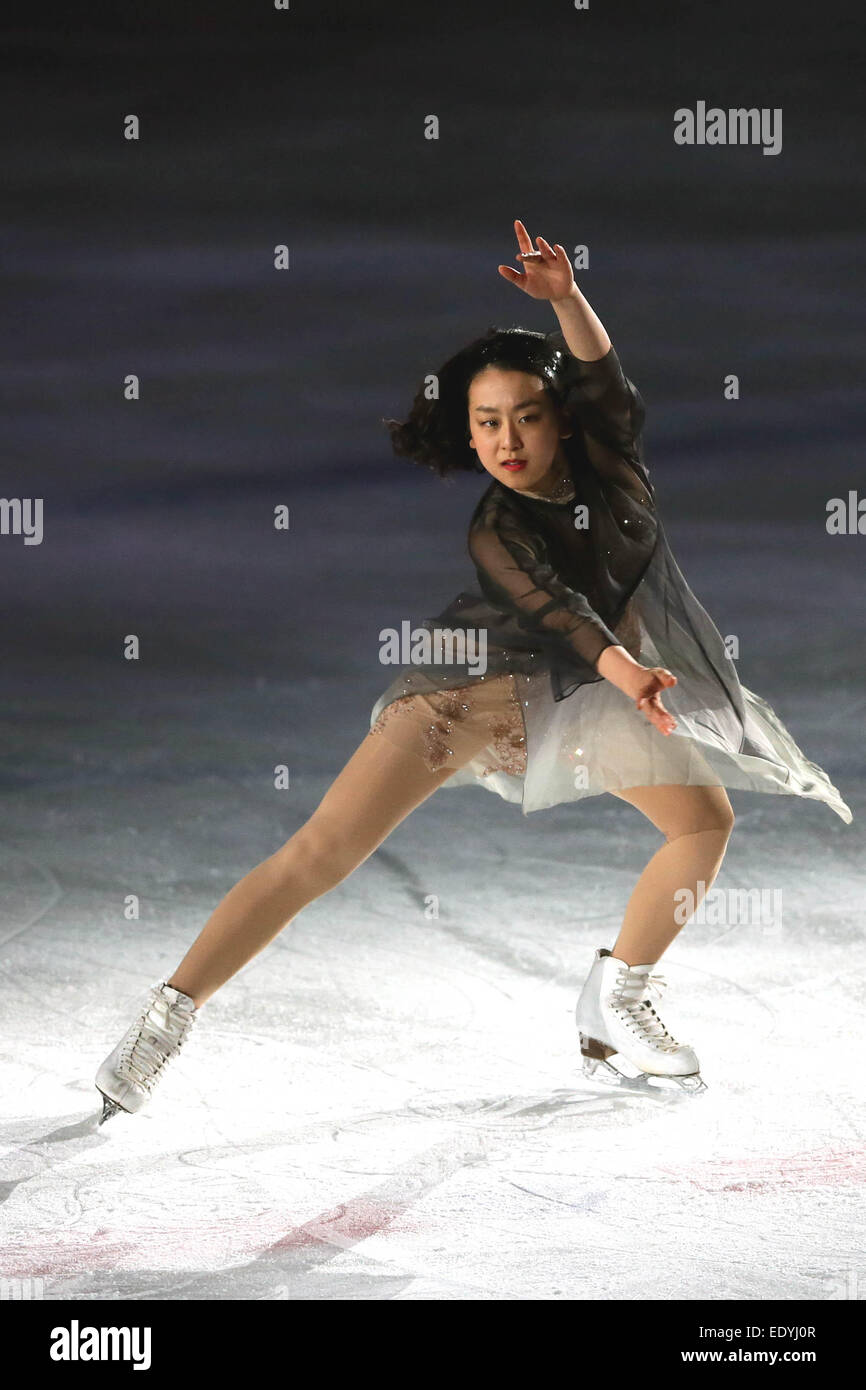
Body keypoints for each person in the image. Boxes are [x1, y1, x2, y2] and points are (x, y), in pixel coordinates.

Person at [95, 220, 852, 1120]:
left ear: (562, 418)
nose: (506, 439)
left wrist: (567, 297)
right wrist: (625, 672)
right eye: (486, 422)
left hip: (584, 692)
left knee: (702, 823)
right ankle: (166, 1017)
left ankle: (616, 997)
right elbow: (558, 612)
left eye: (526, 416)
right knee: (321, 853)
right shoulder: (497, 527)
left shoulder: (613, 461)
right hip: (471, 696)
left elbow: (604, 375)